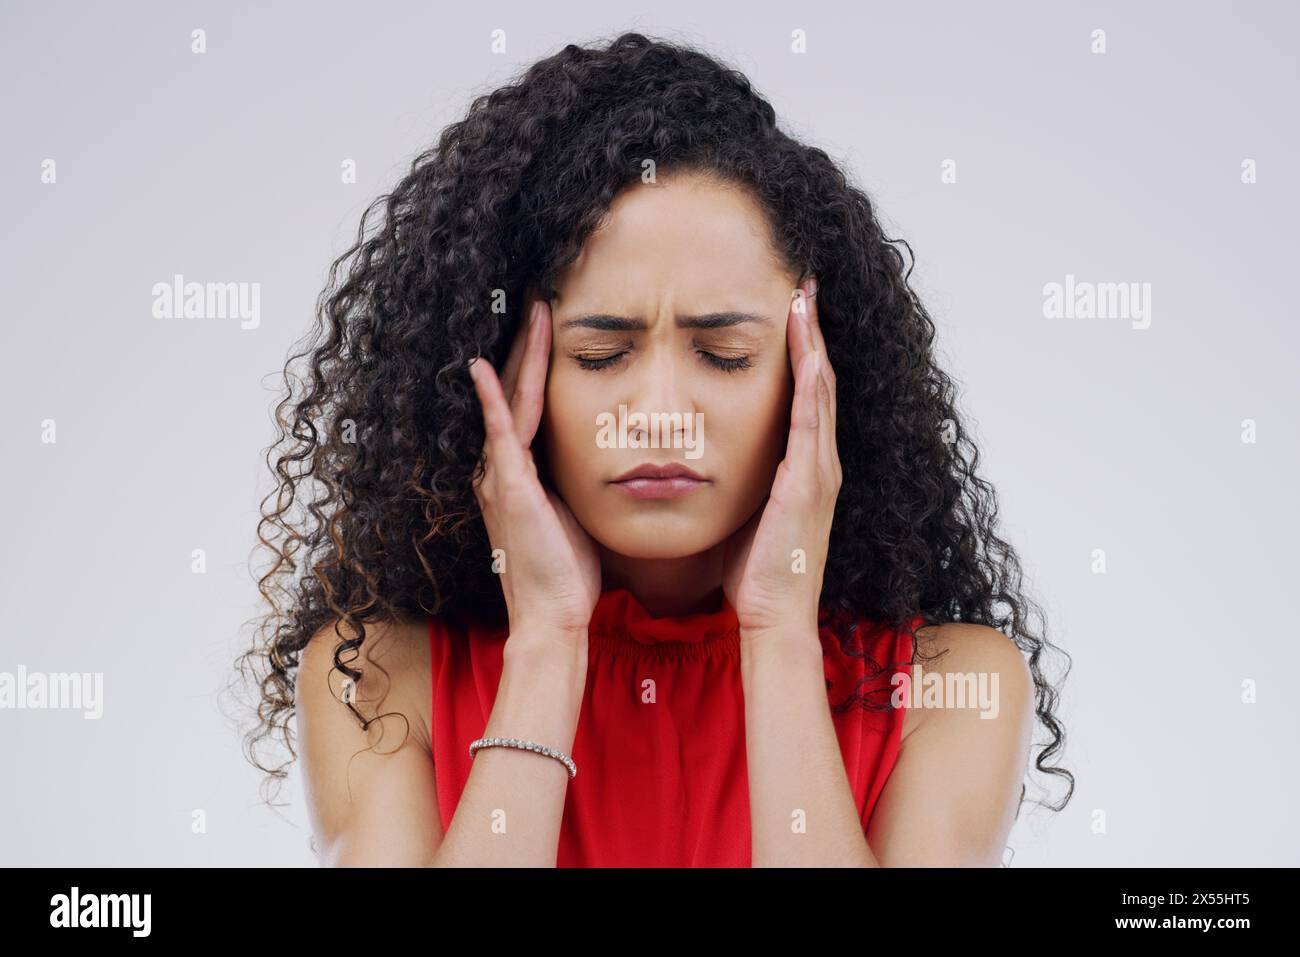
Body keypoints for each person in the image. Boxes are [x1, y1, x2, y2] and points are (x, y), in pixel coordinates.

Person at [238, 31, 1073, 867]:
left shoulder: (949, 687)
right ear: (498, 367)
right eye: (600, 355)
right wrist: (547, 644)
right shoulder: (377, 679)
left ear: (811, 376)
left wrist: (779, 632)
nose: (662, 415)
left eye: (724, 356)